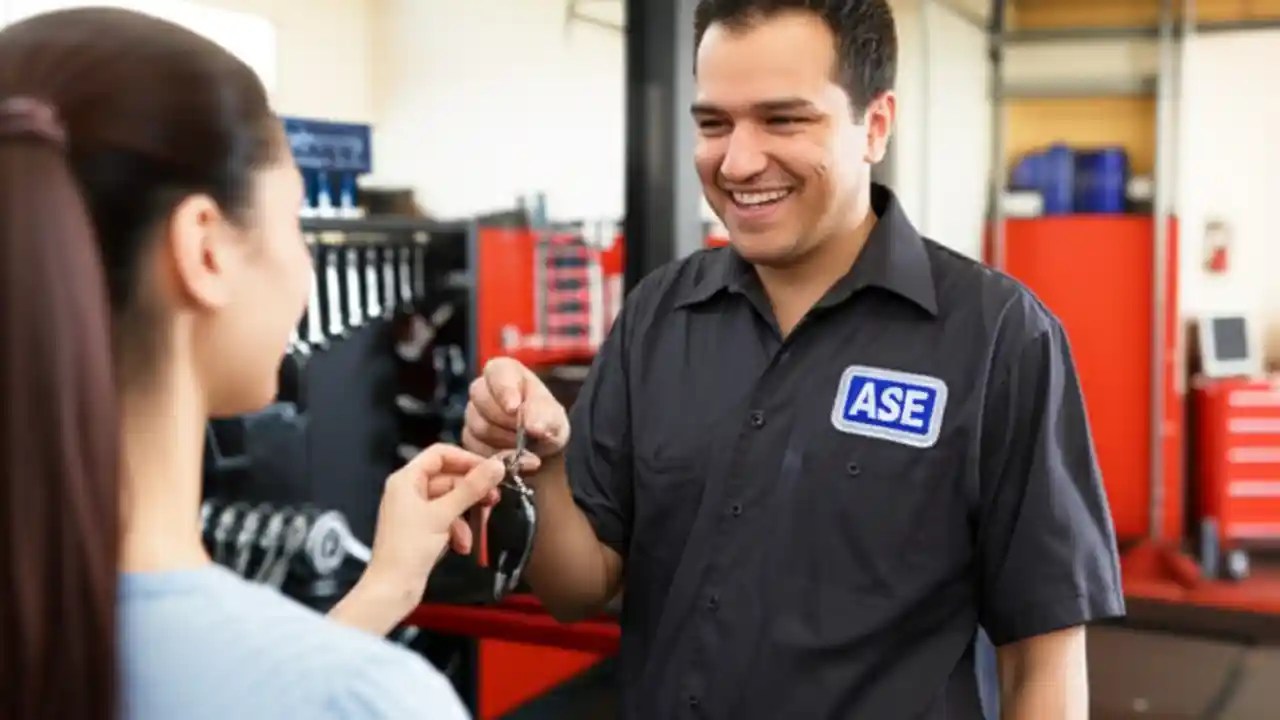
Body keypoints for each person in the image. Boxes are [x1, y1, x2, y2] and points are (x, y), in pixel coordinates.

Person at [463, 1, 1125, 719]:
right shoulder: (658, 316)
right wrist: (541, 463)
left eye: (783, 120)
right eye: (714, 123)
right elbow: (577, 589)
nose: (738, 161)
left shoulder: (998, 338)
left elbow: (1045, 660)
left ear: (874, 125)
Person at [0, 8, 525, 720]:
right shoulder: (373, 701)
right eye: (295, 221)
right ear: (205, 250)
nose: (303, 265)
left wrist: (382, 591)